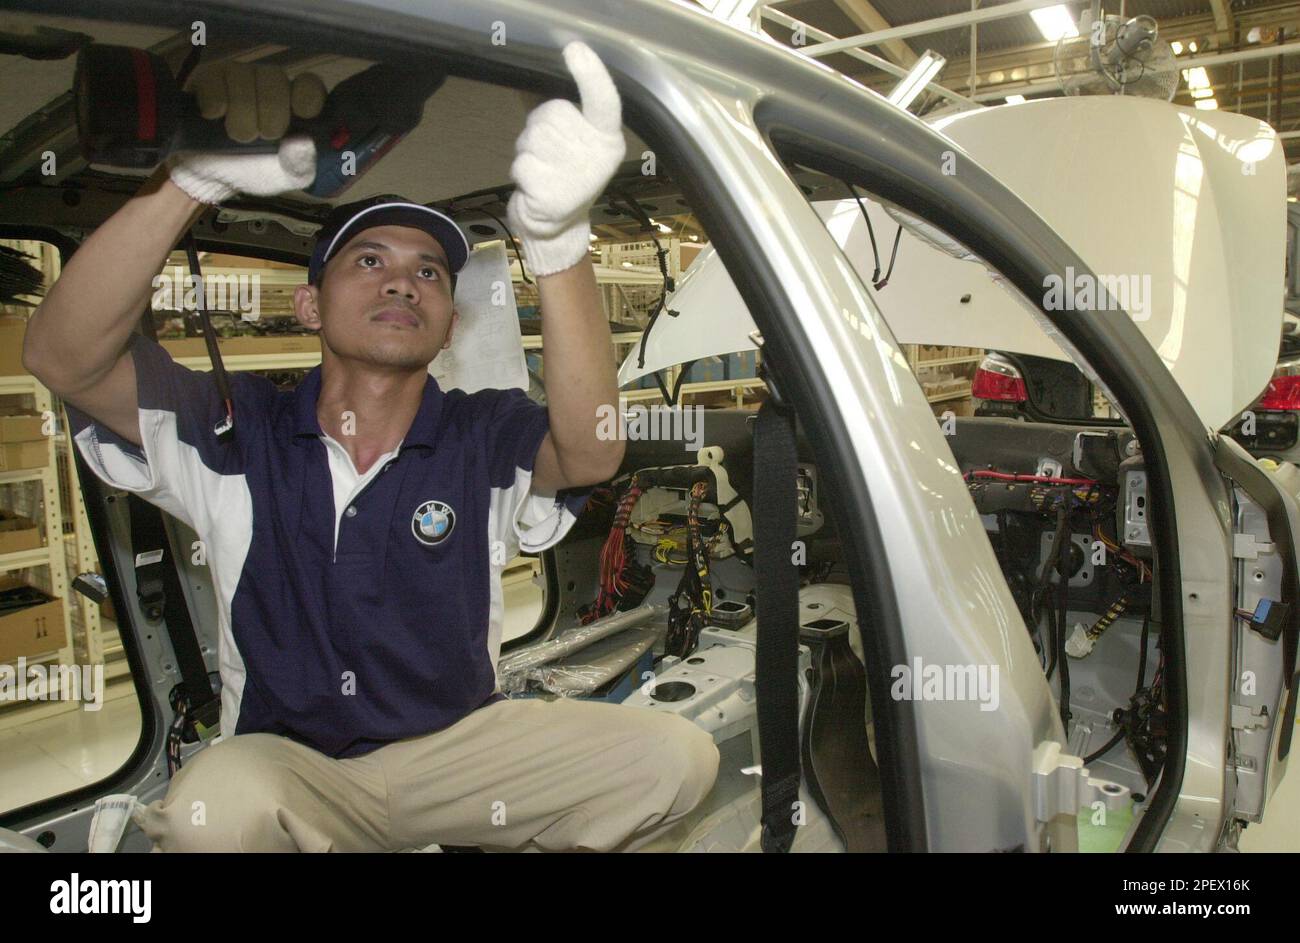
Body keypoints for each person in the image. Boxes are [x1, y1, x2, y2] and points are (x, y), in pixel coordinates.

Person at [24, 43, 718, 852]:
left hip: (458, 754)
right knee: (214, 807)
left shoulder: (481, 433)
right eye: (369, 260)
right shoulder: (234, 428)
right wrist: (189, 182)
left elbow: (594, 453)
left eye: (429, 272)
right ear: (309, 307)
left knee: (675, 760)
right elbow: (62, 358)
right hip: (295, 768)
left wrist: (561, 247)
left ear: (450, 322)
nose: (403, 282)